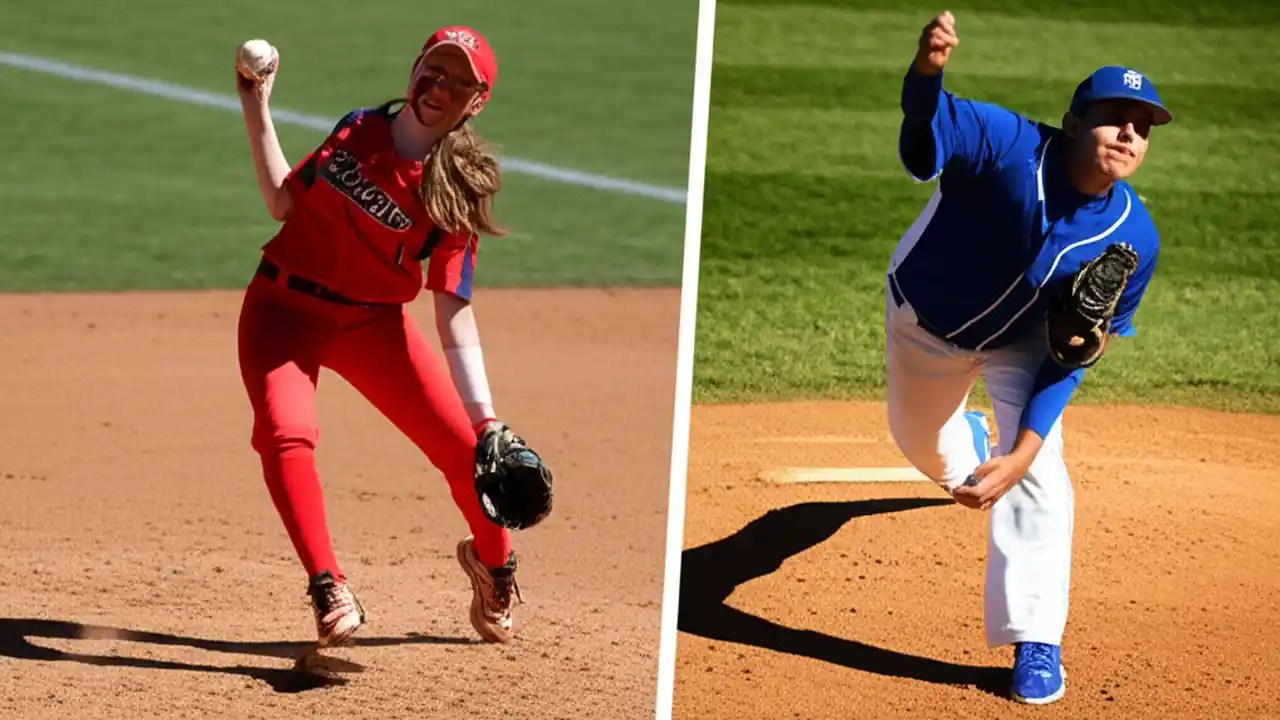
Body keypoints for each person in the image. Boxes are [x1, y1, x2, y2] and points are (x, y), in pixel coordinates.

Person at [884, 11, 1170, 704]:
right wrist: (928, 72)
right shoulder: (1007, 143)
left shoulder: (1135, 237)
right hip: (926, 324)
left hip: (1025, 341)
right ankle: (973, 440)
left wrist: (1025, 451)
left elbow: (1074, 354)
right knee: (928, 450)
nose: (1129, 133)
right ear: (1073, 124)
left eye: (1143, 125)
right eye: (1114, 117)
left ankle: (1035, 639)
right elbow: (924, 140)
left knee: (1037, 473)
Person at [234, 25, 525, 648]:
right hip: (282, 310)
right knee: (286, 432)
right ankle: (328, 587)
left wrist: (487, 420)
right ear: (415, 69)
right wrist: (255, 104)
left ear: (476, 102)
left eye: (459, 82)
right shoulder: (356, 129)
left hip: (373, 325)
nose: (439, 86)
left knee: (466, 456)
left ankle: (494, 566)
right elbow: (283, 204)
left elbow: (453, 310)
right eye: (434, 70)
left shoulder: (455, 192)